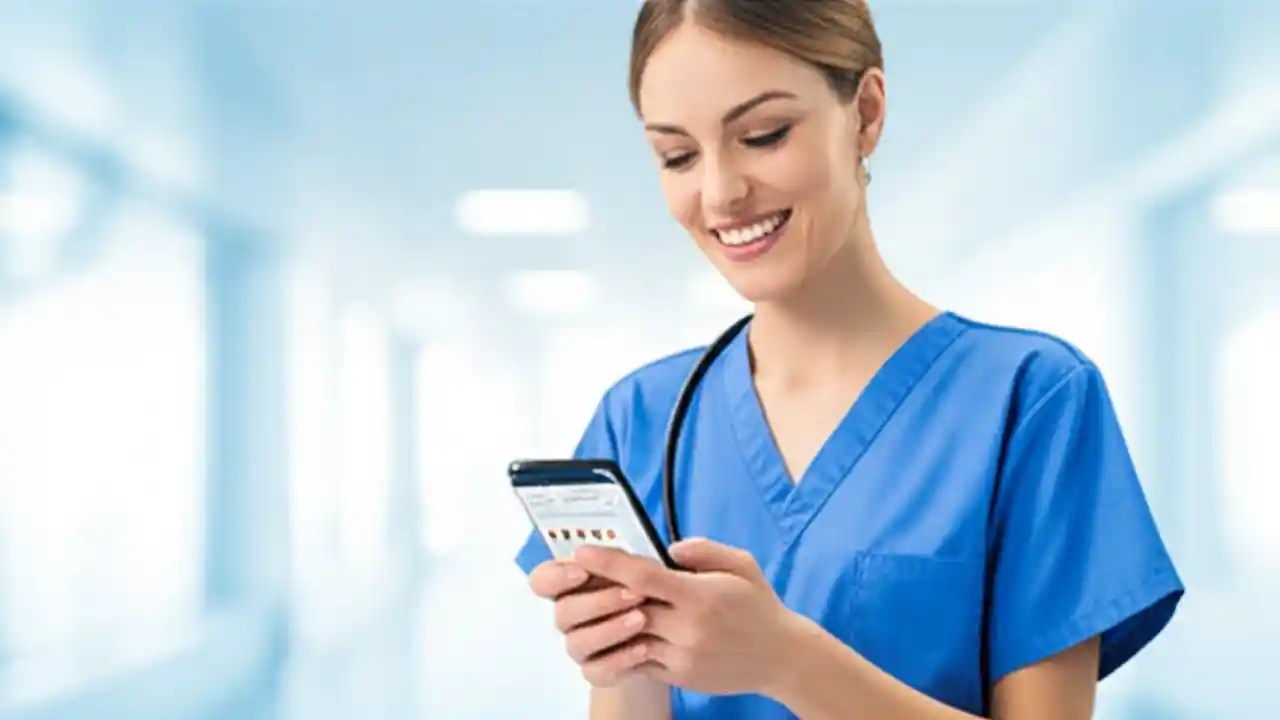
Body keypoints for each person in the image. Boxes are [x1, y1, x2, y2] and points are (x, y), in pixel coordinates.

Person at [513, 1, 1183, 718]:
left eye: (763, 135)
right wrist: (629, 661)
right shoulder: (641, 419)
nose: (720, 192)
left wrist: (785, 661)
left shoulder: (1030, 400)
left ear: (864, 113)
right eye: (677, 155)